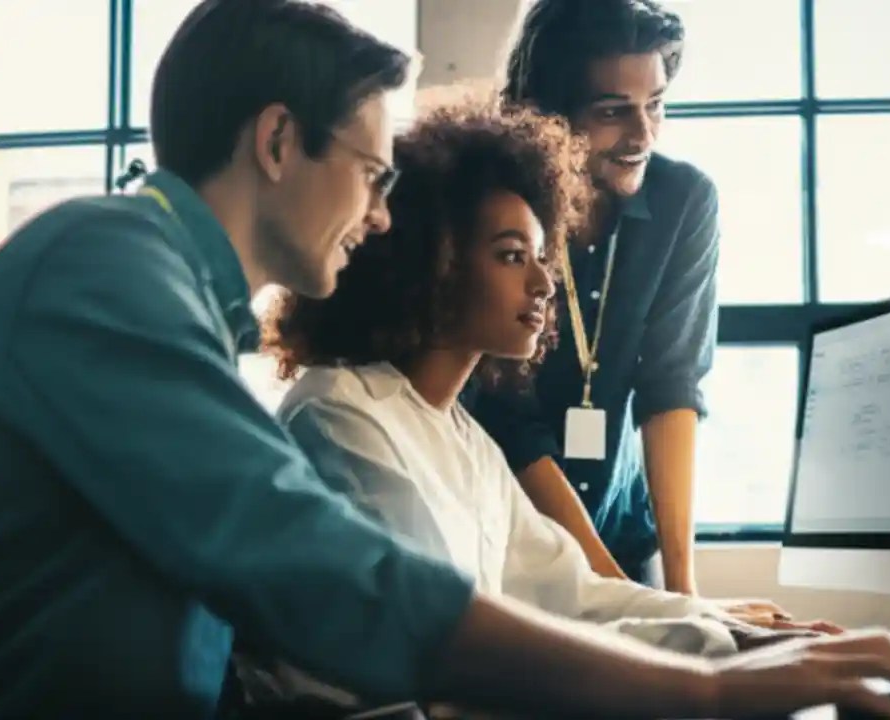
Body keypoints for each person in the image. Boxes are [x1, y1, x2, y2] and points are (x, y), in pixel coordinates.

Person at [0, 1, 890, 719]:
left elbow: (558, 588)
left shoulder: (164, 294)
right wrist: (710, 694)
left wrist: (735, 647)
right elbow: (316, 569)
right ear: (275, 143)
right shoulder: (103, 264)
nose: (384, 214)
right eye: (372, 173)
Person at [261, 93, 831, 681]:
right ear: (432, 263)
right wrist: (718, 653)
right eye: (512, 256)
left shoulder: (466, 441)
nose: (543, 282)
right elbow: (447, 642)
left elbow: (575, 594)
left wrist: (727, 629)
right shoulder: (343, 414)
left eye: (541, 255)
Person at [464, 0, 723, 595]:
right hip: (513, 542)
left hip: (623, 537)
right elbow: (506, 415)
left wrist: (683, 598)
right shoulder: (498, 208)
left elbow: (671, 387)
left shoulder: (685, 200)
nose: (642, 135)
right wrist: (610, 592)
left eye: (655, 105)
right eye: (613, 112)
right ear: (549, 114)